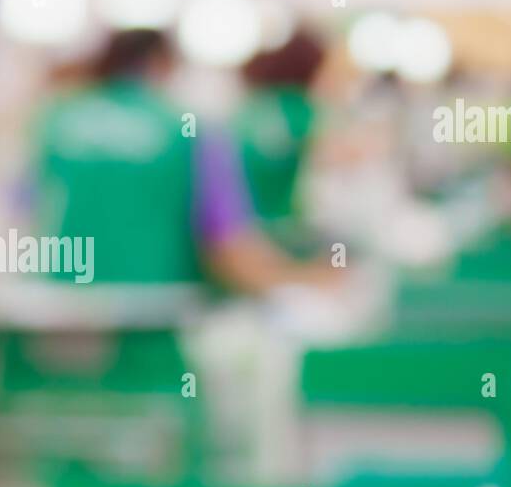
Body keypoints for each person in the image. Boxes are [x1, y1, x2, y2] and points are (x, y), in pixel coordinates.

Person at [28, 29, 331, 294]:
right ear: (164, 64)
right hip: (154, 317)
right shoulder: (190, 129)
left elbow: (24, 212)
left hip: (61, 312)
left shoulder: (57, 120)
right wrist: (305, 279)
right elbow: (228, 246)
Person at [231, 29, 326, 244]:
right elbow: (346, 150)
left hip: (239, 223)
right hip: (278, 223)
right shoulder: (299, 110)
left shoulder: (252, 105)